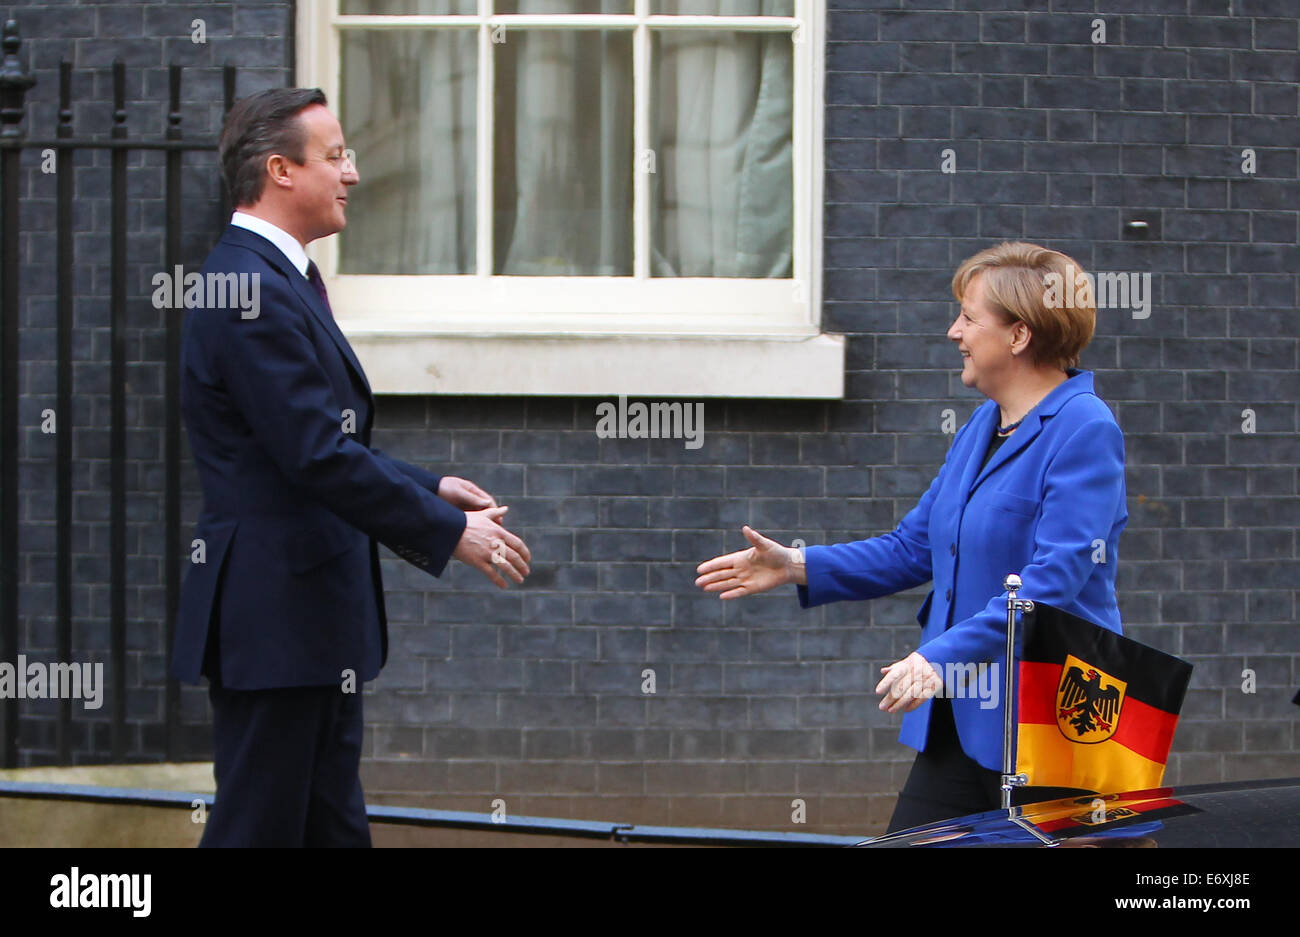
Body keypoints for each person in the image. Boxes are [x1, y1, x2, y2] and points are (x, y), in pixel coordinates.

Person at [173, 88, 531, 847]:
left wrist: (425, 484)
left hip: (307, 623)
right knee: (258, 830)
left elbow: (311, 438)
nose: (353, 174)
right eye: (335, 155)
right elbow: (314, 455)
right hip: (275, 622)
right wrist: (445, 531)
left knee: (330, 827)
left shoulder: (282, 278)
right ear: (280, 170)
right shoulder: (248, 290)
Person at [695, 242, 1127, 832]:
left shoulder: (1084, 428)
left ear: (1020, 335)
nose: (955, 332)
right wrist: (796, 566)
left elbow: (1050, 585)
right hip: (963, 717)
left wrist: (938, 659)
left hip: (1053, 720)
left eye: (970, 318)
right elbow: (912, 548)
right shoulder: (983, 424)